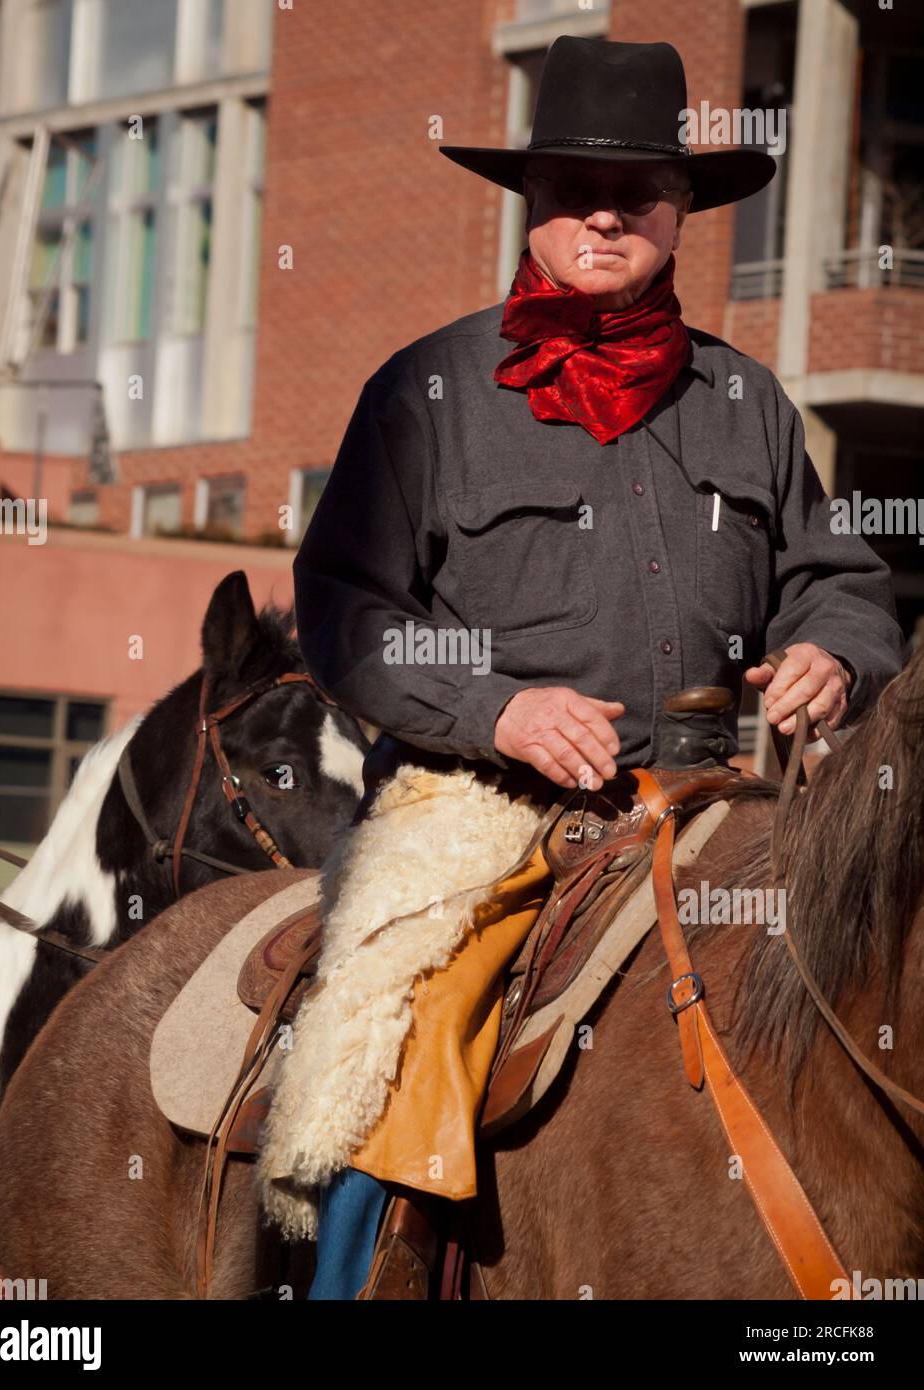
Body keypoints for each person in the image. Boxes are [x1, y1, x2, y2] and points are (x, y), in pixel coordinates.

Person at [289, 36, 904, 1298]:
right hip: (477, 811)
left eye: (637, 188)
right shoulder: (426, 388)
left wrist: (829, 657)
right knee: (377, 1058)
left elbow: (839, 581)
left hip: (724, 802)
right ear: (532, 199)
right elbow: (342, 608)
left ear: (681, 211)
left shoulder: (747, 402)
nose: (606, 211)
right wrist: (494, 709)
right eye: (574, 184)